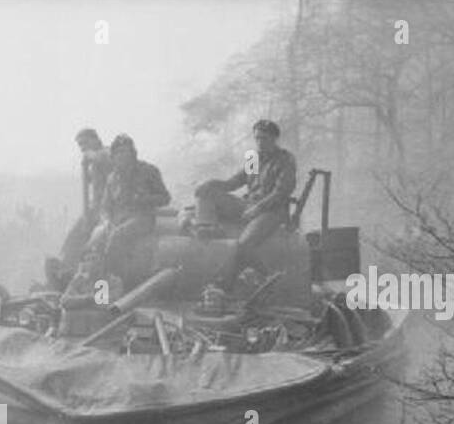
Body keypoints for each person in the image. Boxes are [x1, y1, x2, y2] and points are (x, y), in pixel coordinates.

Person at [194, 119, 297, 290]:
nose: (259, 142)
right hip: (248, 204)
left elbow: (281, 192)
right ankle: (207, 227)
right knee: (206, 192)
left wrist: (257, 208)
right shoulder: (254, 158)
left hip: (272, 211)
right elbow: (234, 182)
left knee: (244, 245)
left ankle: (268, 275)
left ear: (274, 138)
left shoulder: (285, 160)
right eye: (257, 138)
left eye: (264, 138)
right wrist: (212, 183)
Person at [66, 134, 169, 300]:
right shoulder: (112, 178)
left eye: (126, 152)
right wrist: (106, 221)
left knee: (116, 239)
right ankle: (83, 289)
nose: (122, 156)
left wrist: (144, 199)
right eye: (119, 153)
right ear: (114, 156)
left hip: (142, 218)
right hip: (116, 220)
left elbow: (165, 198)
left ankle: (107, 294)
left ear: (133, 153)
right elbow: (106, 206)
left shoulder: (148, 171)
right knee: (92, 245)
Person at [56, 129, 114, 280]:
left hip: (109, 210)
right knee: (73, 240)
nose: (82, 148)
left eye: (85, 143)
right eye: (80, 145)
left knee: (97, 249)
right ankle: (66, 275)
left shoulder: (106, 152)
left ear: (95, 139)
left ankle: (101, 297)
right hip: (95, 210)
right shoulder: (94, 160)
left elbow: (107, 161)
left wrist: (90, 156)